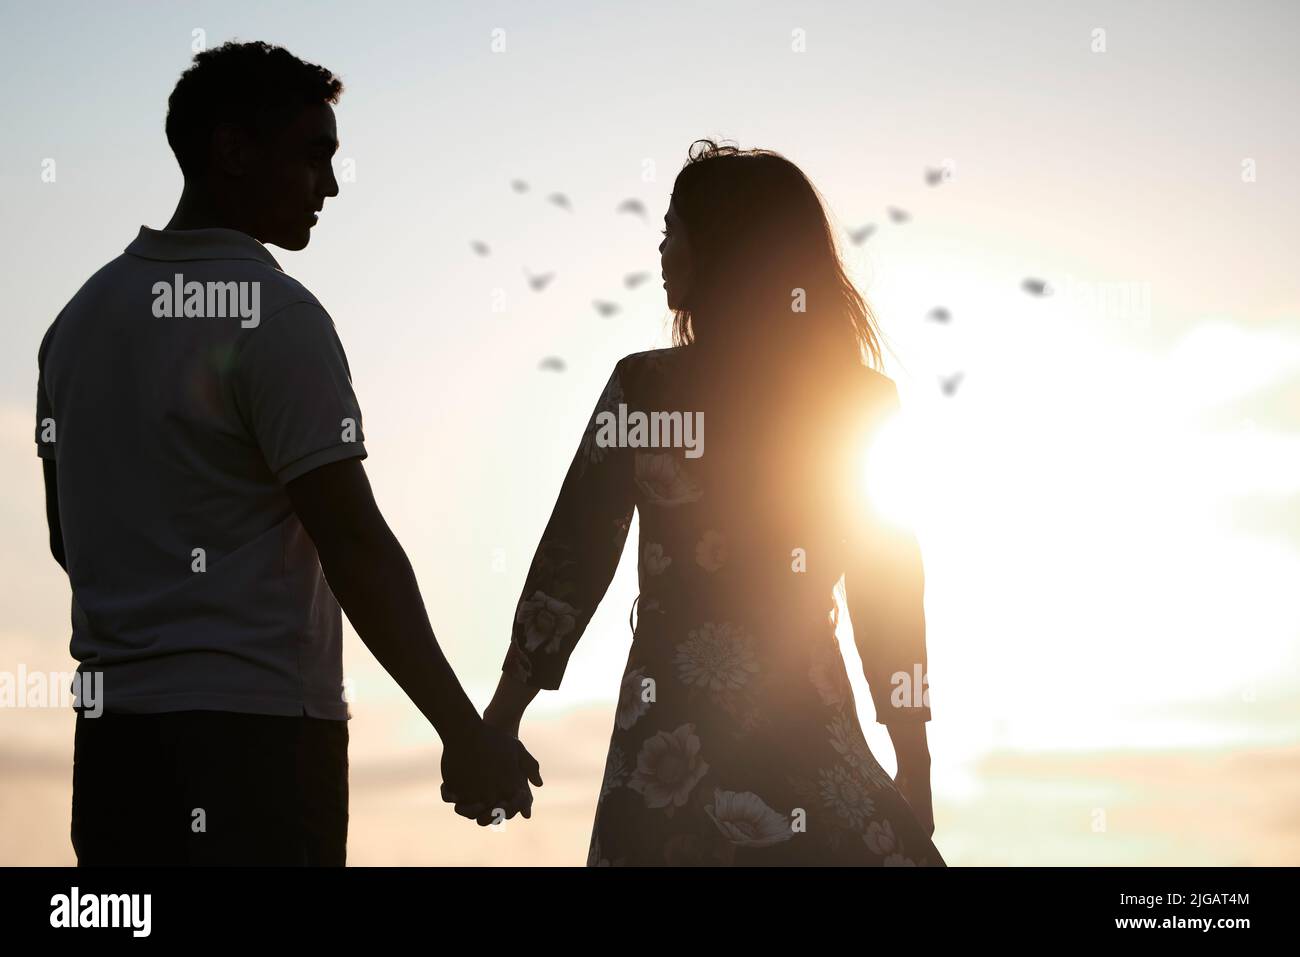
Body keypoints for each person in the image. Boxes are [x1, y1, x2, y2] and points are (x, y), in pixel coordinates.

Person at [35, 40, 537, 866]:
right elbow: (354, 546)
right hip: (259, 746)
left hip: (114, 751)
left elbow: (68, 539)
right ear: (233, 151)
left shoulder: (74, 324)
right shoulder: (277, 317)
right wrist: (462, 730)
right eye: (313, 157)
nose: (330, 187)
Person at [480, 140, 945, 865]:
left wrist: (501, 717)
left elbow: (573, 559)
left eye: (675, 229)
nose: (663, 248)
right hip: (798, 715)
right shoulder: (849, 398)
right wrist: (912, 765)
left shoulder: (648, 389)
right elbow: (886, 587)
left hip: (673, 735)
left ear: (726, 245)